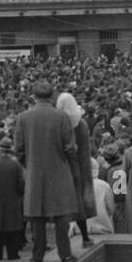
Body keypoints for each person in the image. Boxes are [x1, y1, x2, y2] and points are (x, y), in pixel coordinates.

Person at [13, 82, 79, 262]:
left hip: (35, 171)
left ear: (34, 97)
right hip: (58, 169)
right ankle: (65, 254)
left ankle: (38, 255)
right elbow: (71, 147)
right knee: (61, 215)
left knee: (37, 215)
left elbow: (18, 148)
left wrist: (29, 163)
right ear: (52, 96)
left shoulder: (23, 117)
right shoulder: (61, 116)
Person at [57, 92, 96, 249]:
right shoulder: (82, 124)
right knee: (79, 204)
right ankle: (85, 237)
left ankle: (64, 240)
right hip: (79, 167)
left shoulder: (59, 123)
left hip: (62, 167)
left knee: (61, 206)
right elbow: (86, 150)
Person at [0, 137, 26, 261]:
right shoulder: (15, 165)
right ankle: (13, 253)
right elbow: (21, 184)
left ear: (0, 150)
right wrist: (19, 194)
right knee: (12, 228)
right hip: (13, 200)